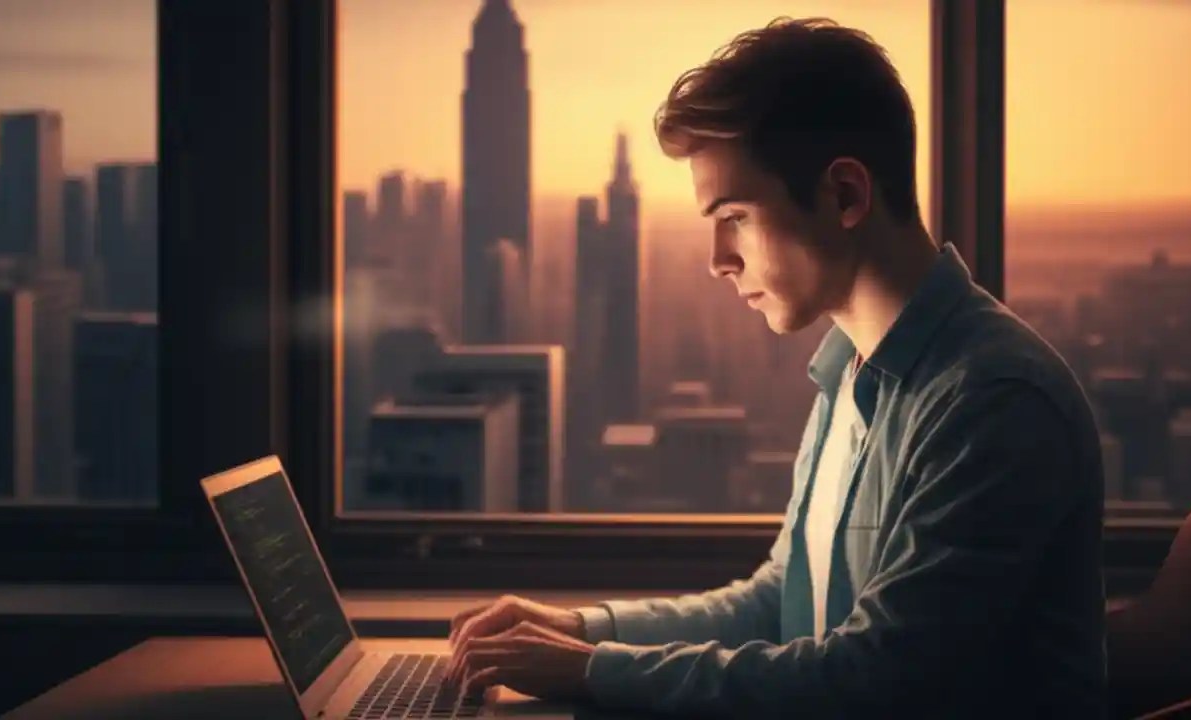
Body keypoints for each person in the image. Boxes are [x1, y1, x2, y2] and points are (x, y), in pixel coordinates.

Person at [444, 17, 1107, 718]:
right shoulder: (851, 377)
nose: (718, 260)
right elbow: (779, 602)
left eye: (735, 216)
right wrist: (581, 630)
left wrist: (591, 671)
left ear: (846, 196)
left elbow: (874, 679)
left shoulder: (993, 402)